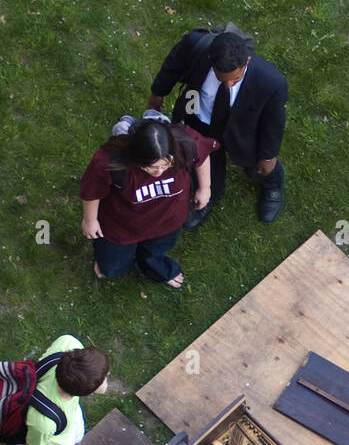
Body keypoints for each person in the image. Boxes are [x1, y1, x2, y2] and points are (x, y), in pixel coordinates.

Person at [147, 30, 287, 224]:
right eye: (222, 79)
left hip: (241, 126)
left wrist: (268, 155)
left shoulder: (271, 82)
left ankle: (273, 184)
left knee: (258, 164)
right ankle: (210, 193)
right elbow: (173, 66)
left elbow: (274, 123)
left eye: (235, 80)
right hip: (198, 114)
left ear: (247, 61)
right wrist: (158, 92)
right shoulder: (195, 46)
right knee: (201, 157)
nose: (229, 86)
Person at [80, 115, 216, 289]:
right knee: (110, 269)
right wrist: (90, 220)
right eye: (151, 167)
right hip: (122, 226)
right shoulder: (111, 161)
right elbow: (92, 192)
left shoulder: (185, 142)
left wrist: (205, 187)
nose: (159, 171)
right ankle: (127, 127)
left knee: (154, 253)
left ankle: (153, 121)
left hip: (167, 221)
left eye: (166, 165)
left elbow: (202, 156)